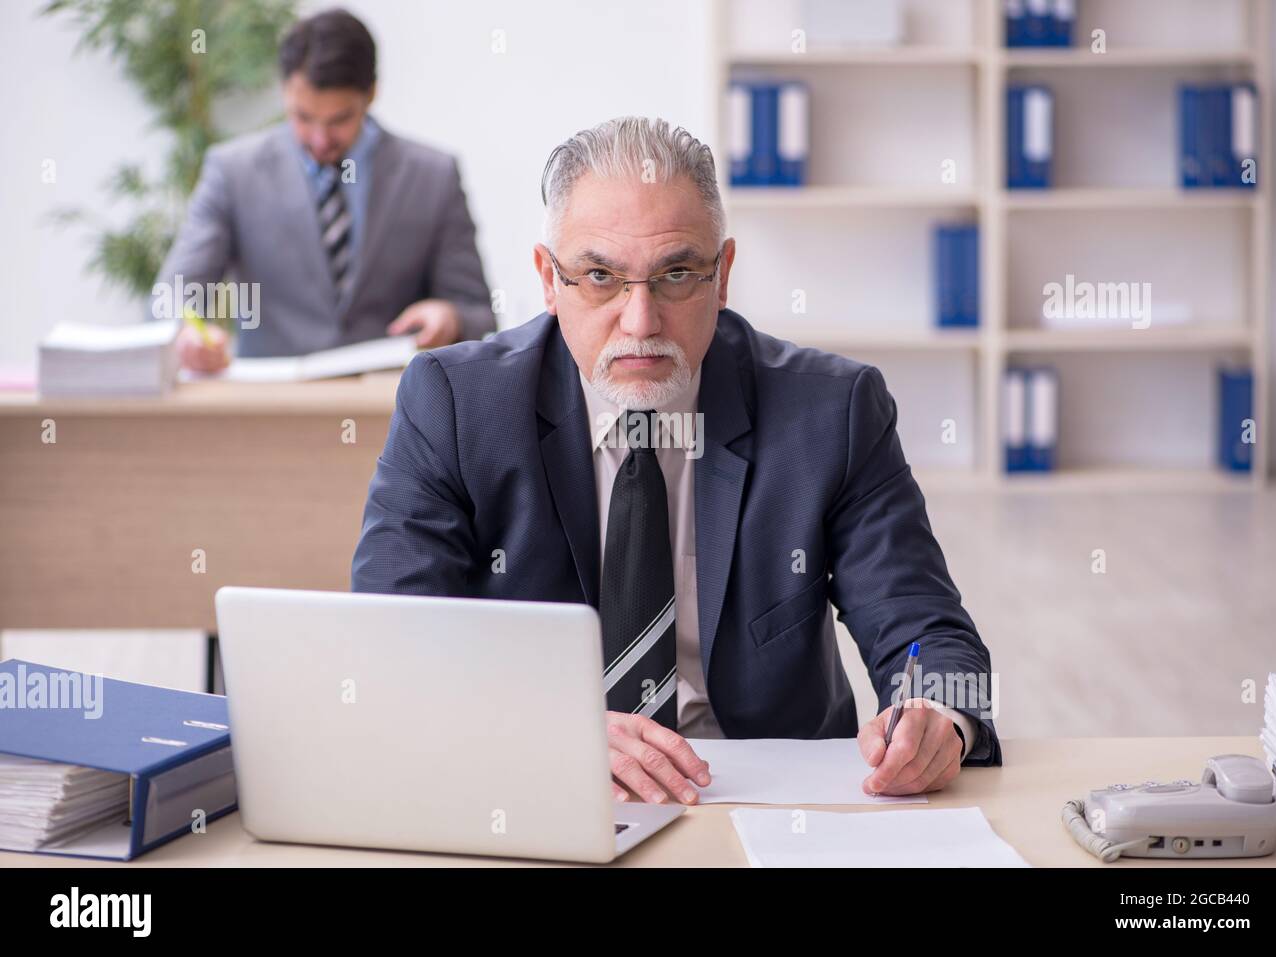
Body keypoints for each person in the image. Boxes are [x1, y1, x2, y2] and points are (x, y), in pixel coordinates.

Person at [352, 117, 1002, 805]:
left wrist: (940, 718)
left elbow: (926, 627)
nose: (640, 322)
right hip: (533, 786)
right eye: (600, 276)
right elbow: (394, 640)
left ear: (722, 276)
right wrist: (550, 728)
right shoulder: (454, 403)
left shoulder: (831, 409)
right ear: (549, 278)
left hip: (769, 803)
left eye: (676, 274)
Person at [158, 8, 494, 371]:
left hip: (393, 407)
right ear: (284, 91)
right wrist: (186, 335)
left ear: (371, 95)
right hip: (272, 410)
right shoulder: (232, 171)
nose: (319, 140)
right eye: (303, 117)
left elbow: (478, 313)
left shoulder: (433, 176)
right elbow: (173, 297)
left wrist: (449, 316)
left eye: (339, 120)